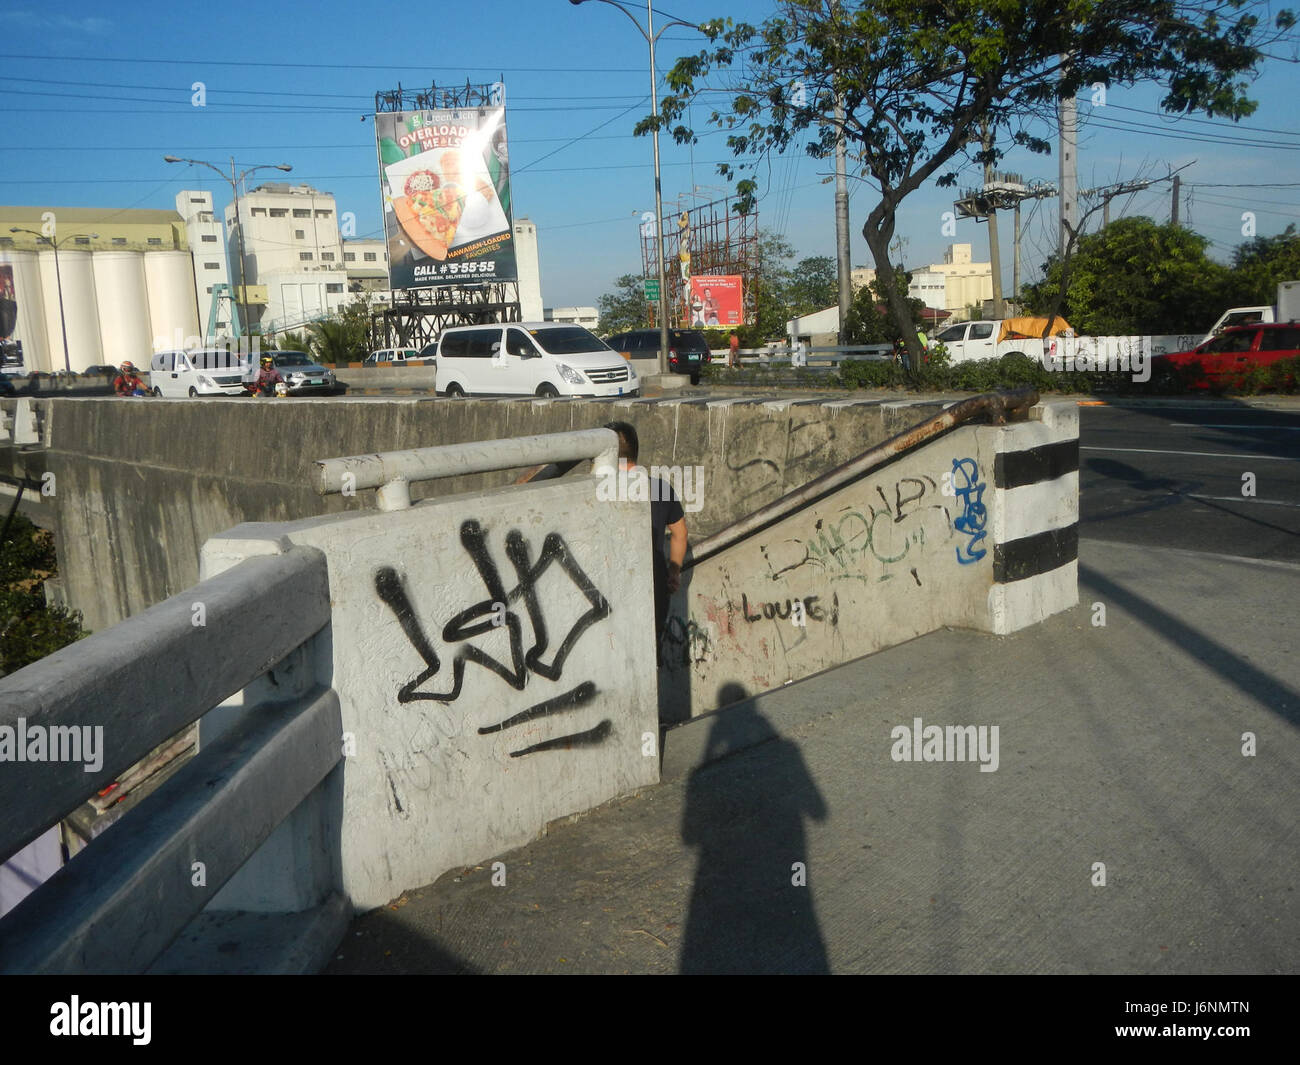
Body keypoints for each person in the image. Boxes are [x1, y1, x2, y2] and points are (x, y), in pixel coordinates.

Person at [604, 421, 687, 659]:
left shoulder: (599, 489)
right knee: (650, 653)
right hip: (654, 582)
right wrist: (674, 571)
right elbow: (680, 534)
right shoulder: (660, 488)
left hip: (613, 587)